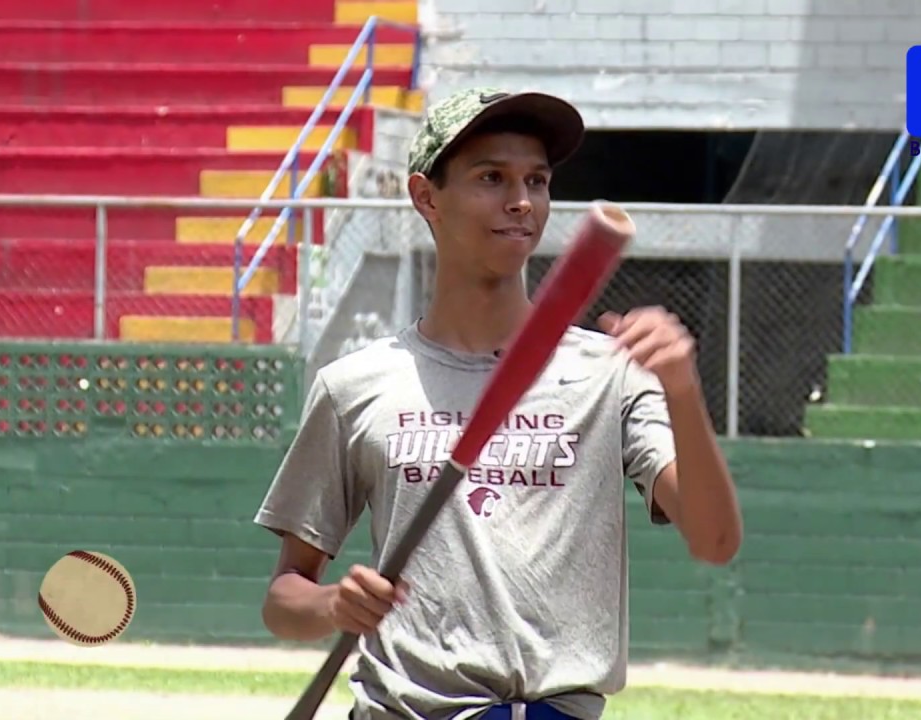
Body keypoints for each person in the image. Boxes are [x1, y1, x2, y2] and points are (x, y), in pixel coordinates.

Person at [255, 87, 744, 720]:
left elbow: (715, 540)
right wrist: (332, 607)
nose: (521, 202)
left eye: (536, 181)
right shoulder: (357, 385)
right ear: (426, 196)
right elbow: (283, 598)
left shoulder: (609, 374)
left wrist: (682, 390)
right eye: (492, 178)